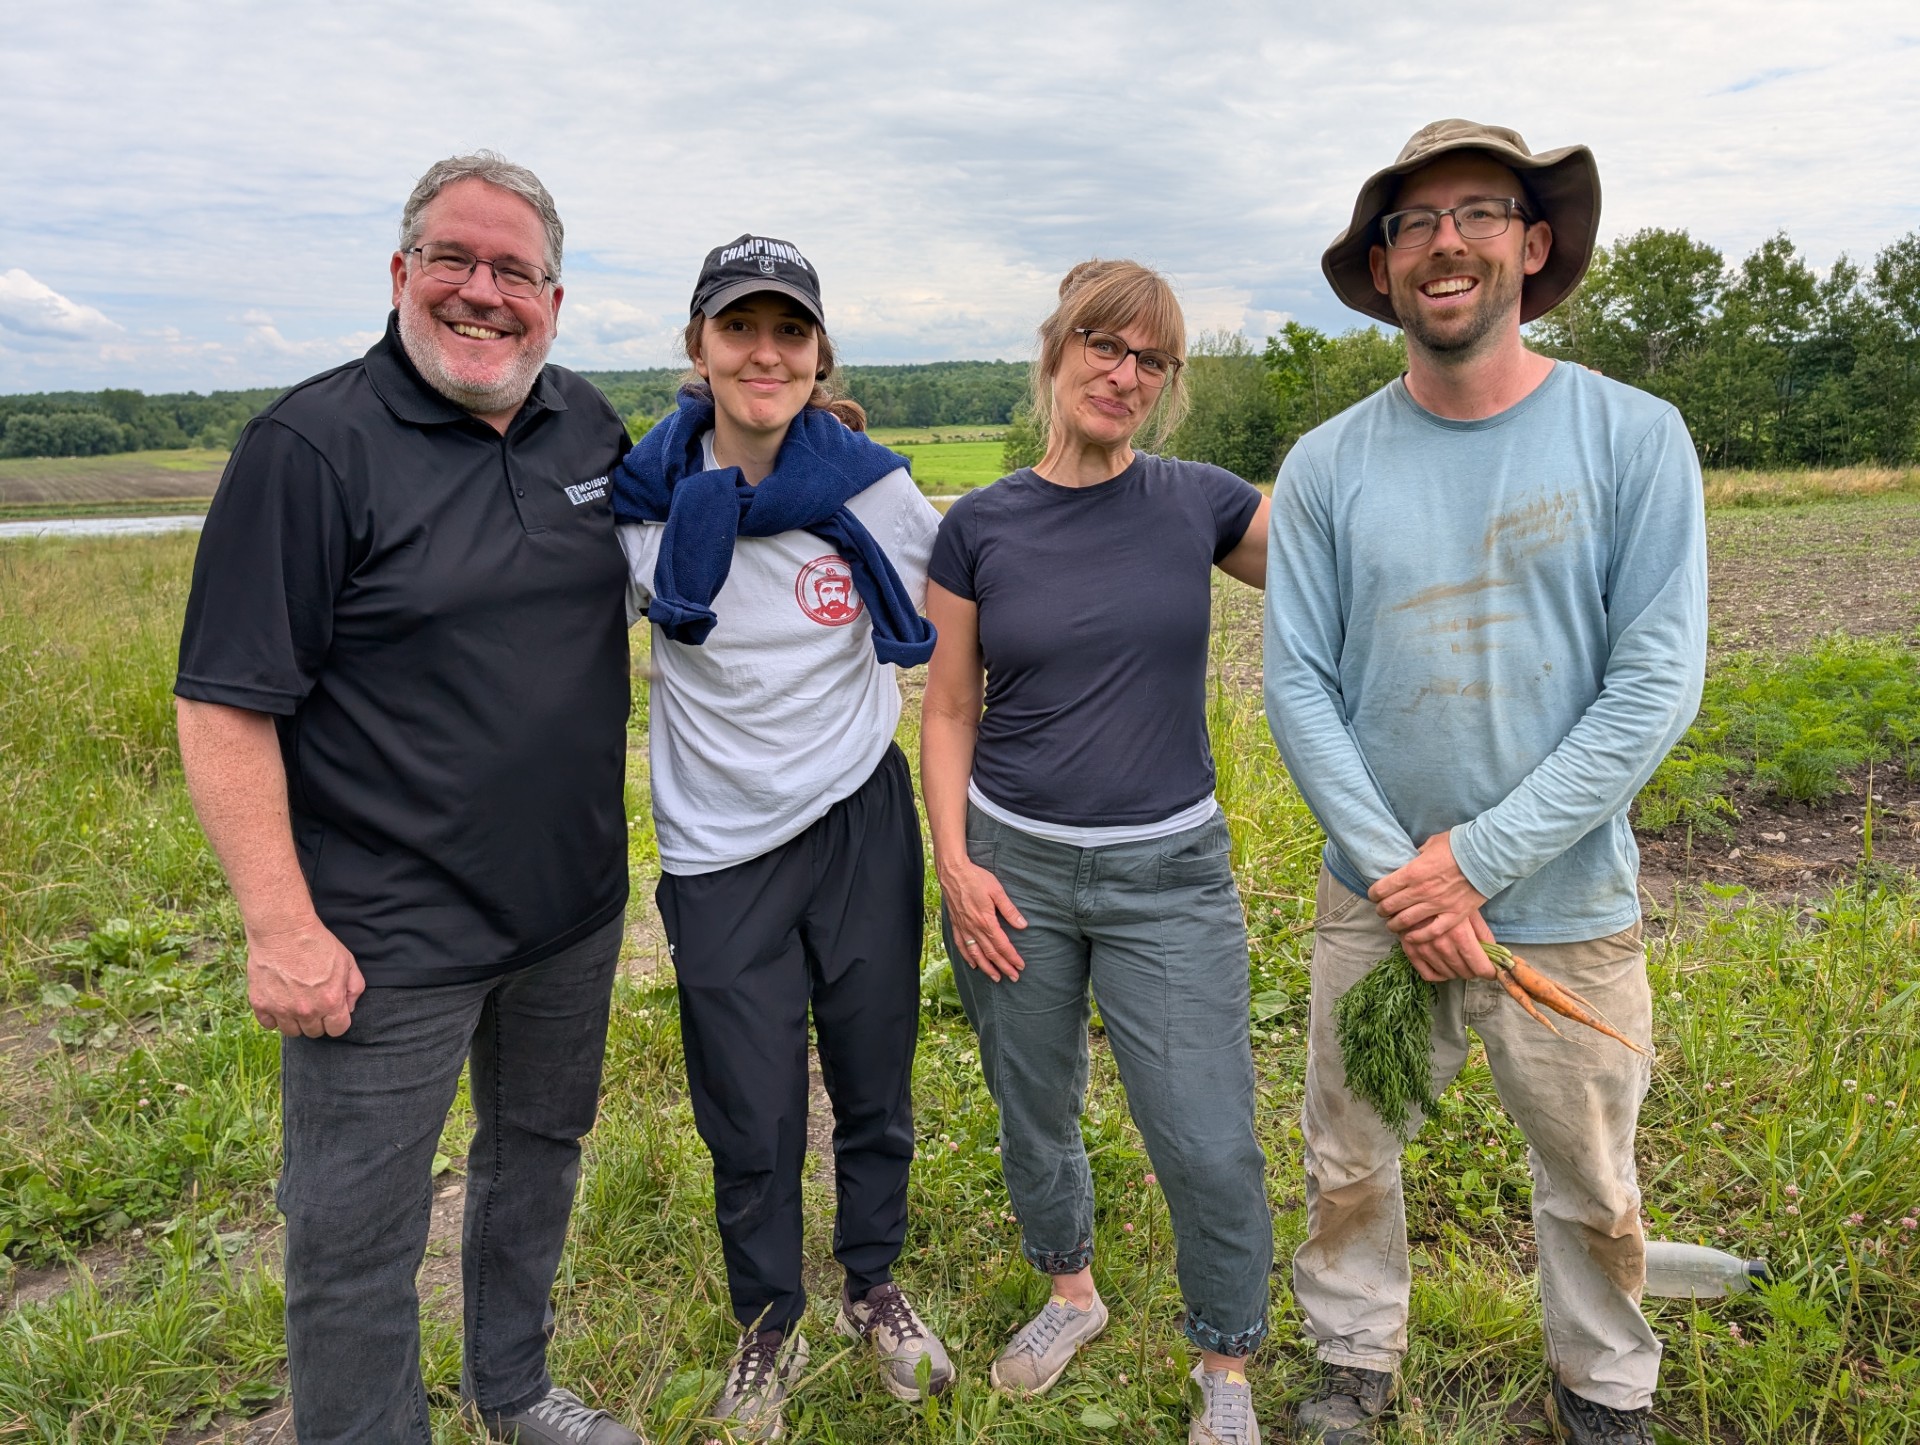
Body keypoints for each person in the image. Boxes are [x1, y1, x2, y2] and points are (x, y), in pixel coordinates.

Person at [174, 154, 644, 1444]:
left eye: (515, 271)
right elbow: (222, 706)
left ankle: (515, 1388)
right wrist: (280, 926)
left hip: (568, 908)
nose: (482, 291)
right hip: (384, 934)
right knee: (354, 1237)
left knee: (535, 1156)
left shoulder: (588, 427)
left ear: (555, 298)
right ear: (400, 273)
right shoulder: (309, 449)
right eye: (453, 259)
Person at [1262, 120, 1708, 1445]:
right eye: (1413, 222)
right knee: (1349, 1152)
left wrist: (1475, 861)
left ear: (1533, 242)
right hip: (1378, 901)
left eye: (1477, 213)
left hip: (1566, 904)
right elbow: (1299, 686)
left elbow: (1653, 686)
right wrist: (1408, 879)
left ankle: (1603, 1385)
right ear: (1383, 265)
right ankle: (1354, 1357)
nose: (1444, 243)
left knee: (1591, 1172)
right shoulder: (1329, 463)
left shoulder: (1635, 437)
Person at [921, 259, 1275, 1445]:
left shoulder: (1198, 502)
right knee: (1035, 1103)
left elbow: (1343, 563)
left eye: (1151, 359)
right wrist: (956, 861)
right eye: (1103, 345)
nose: (1124, 373)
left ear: (1167, 382)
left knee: (1207, 1134)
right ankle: (1071, 1291)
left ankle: (1226, 1361)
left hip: (1169, 875)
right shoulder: (978, 525)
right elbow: (949, 708)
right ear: (1058, 349)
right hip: (1012, 867)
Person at [609, 234, 952, 1440]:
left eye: (789, 331)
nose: (766, 352)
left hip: (859, 812)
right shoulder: (640, 501)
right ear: (697, 347)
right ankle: (768, 1318)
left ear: (819, 354)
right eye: (740, 328)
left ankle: (872, 1283)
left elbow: (968, 603)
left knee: (874, 1066)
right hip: (719, 844)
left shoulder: (872, 491)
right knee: (747, 1107)